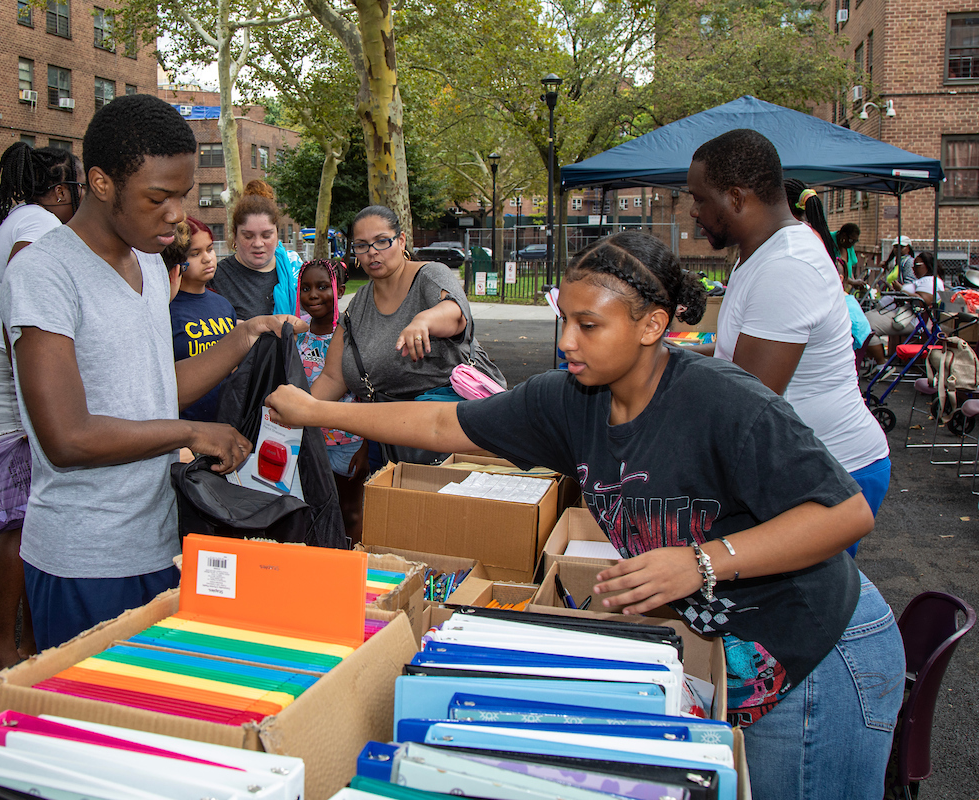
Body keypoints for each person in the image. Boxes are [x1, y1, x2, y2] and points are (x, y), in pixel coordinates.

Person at [265, 231, 905, 800]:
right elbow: (441, 420)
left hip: (821, 656)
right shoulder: (569, 400)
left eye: (589, 325)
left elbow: (845, 512)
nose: (566, 341)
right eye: (562, 319)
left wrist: (702, 561)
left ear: (653, 325)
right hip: (729, 661)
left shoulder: (723, 402)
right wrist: (320, 411)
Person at [0, 94, 303, 650]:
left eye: (183, 195)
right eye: (158, 197)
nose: (176, 215)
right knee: (90, 729)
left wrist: (246, 336)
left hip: (160, 541)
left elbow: (154, 390)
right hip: (86, 560)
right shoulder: (44, 272)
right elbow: (66, 438)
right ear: (101, 183)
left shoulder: (145, 259)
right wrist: (191, 431)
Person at [688, 129, 890, 557]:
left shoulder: (787, 266)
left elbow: (745, 399)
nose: (693, 211)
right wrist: (670, 355)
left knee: (806, 616)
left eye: (701, 198)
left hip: (832, 475)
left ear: (738, 198)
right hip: (797, 469)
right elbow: (733, 354)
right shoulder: (756, 253)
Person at [0, 142, 82, 688]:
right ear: (61, 190)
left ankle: (25, 644)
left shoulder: (18, 216)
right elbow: (27, 301)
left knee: (25, 511)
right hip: (10, 373)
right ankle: (5, 653)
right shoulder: (38, 224)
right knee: (22, 515)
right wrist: (32, 378)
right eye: (77, 185)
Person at [308, 204, 505, 466]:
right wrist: (299, 408)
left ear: (401, 241)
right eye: (362, 245)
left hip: (450, 437)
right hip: (387, 438)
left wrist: (423, 320)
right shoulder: (357, 306)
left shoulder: (429, 275)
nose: (372, 253)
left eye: (382, 242)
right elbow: (333, 377)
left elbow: (456, 314)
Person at [295, 259, 368, 543]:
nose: (313, 295)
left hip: (349, 446)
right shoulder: (296, 338)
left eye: (322, 287)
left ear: (339, 290)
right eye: (306, 287)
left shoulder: (352, 339)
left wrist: (366, 445)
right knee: (312, 510)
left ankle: (350, 567)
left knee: (349, 512)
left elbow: (367, 396)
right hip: (308, 444)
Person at [162, 216, 237, 422]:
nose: (207, 258)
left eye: (210, 249)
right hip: (183, 431)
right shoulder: (166, 309)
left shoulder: (223, 306)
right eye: (195, 253)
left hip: (223, 422)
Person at [209, 180, 300, 320]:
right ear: (235, 235)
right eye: (248, 236)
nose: (258, 243)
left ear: (277, 234)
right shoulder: (216, 277)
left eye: (266, 235)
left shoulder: (295, 268)